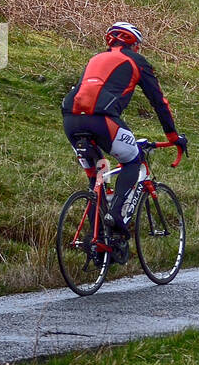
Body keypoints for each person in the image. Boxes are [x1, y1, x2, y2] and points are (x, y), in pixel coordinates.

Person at [61, 23, 186, 262]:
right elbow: (158, 101)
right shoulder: (136, 61)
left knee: (96, 178)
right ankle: (116, 217)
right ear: (134, 44)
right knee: (133, 159)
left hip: (71, 121)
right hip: (103, 121)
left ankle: (97, 245)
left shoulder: (95, 59)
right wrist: (172, 136)